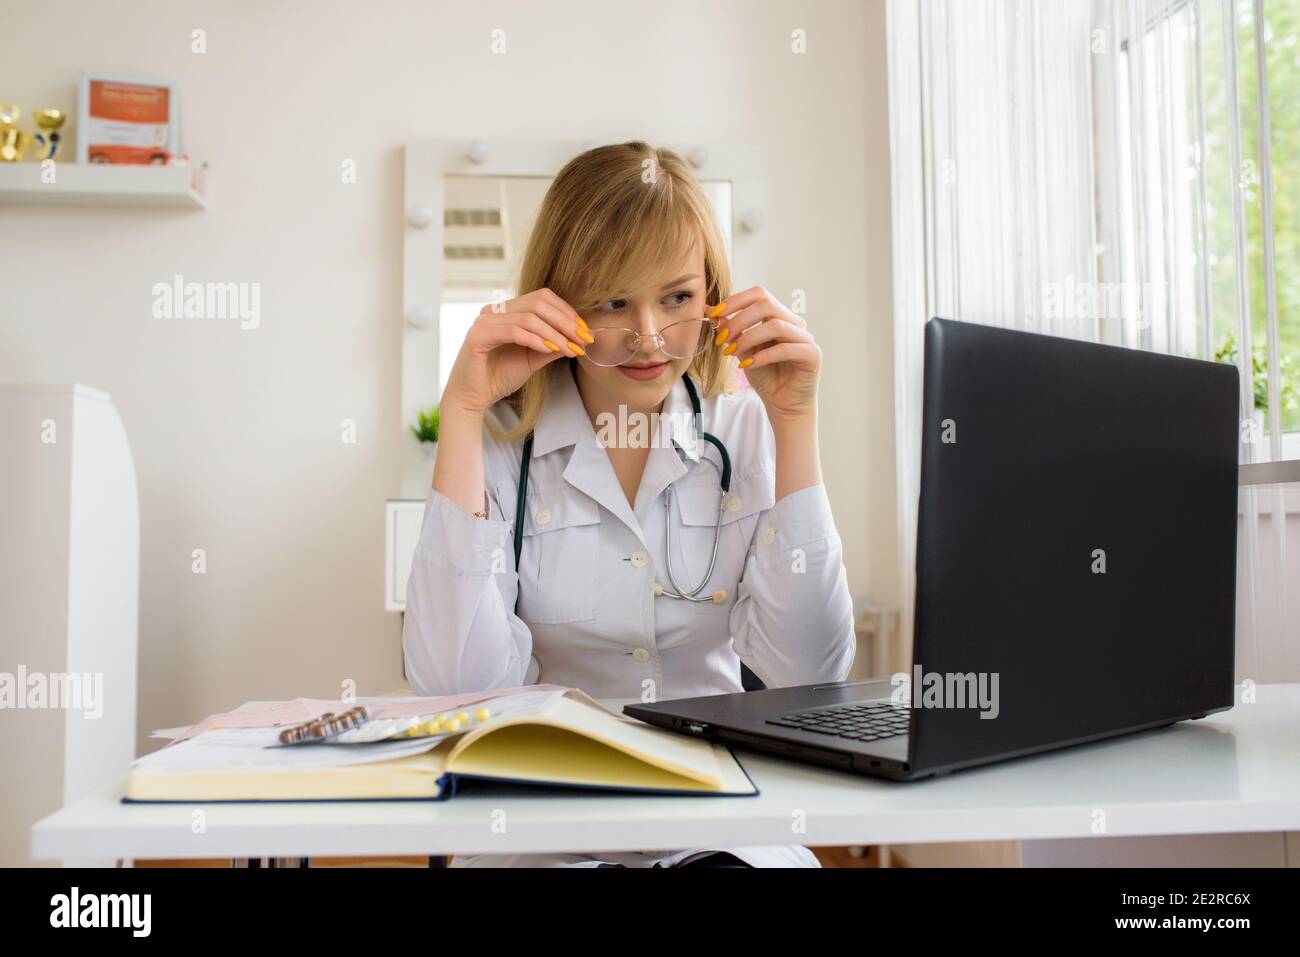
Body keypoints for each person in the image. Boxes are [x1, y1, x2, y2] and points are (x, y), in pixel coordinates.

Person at [403, 142, 856, 867]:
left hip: (717, 821)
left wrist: (796, 422)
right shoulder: (500, 447)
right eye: (613, 301)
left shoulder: (746, 431)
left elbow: (809, 677)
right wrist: (461, 408)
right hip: (547, 828)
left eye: (677, 298)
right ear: (558, 301)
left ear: (710, 292)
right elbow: (456, 691)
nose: (648, 336)